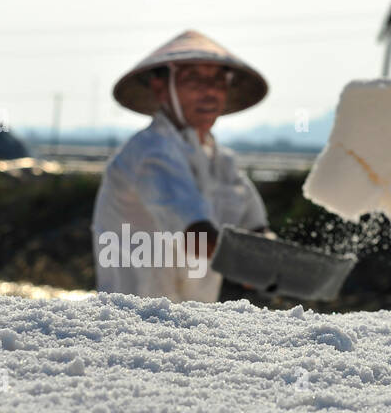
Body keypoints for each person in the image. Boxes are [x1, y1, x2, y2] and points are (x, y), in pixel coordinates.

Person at [93, 30, 270, 302]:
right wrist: (260, 264)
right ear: (160, 88)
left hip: (191, 328)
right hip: (131, 321)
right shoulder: (149, 151)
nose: (210, 90)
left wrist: (274, 260)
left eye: (219, 81)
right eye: (194, 79)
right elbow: (196, 237)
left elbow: (255, 230)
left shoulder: (223, 163)